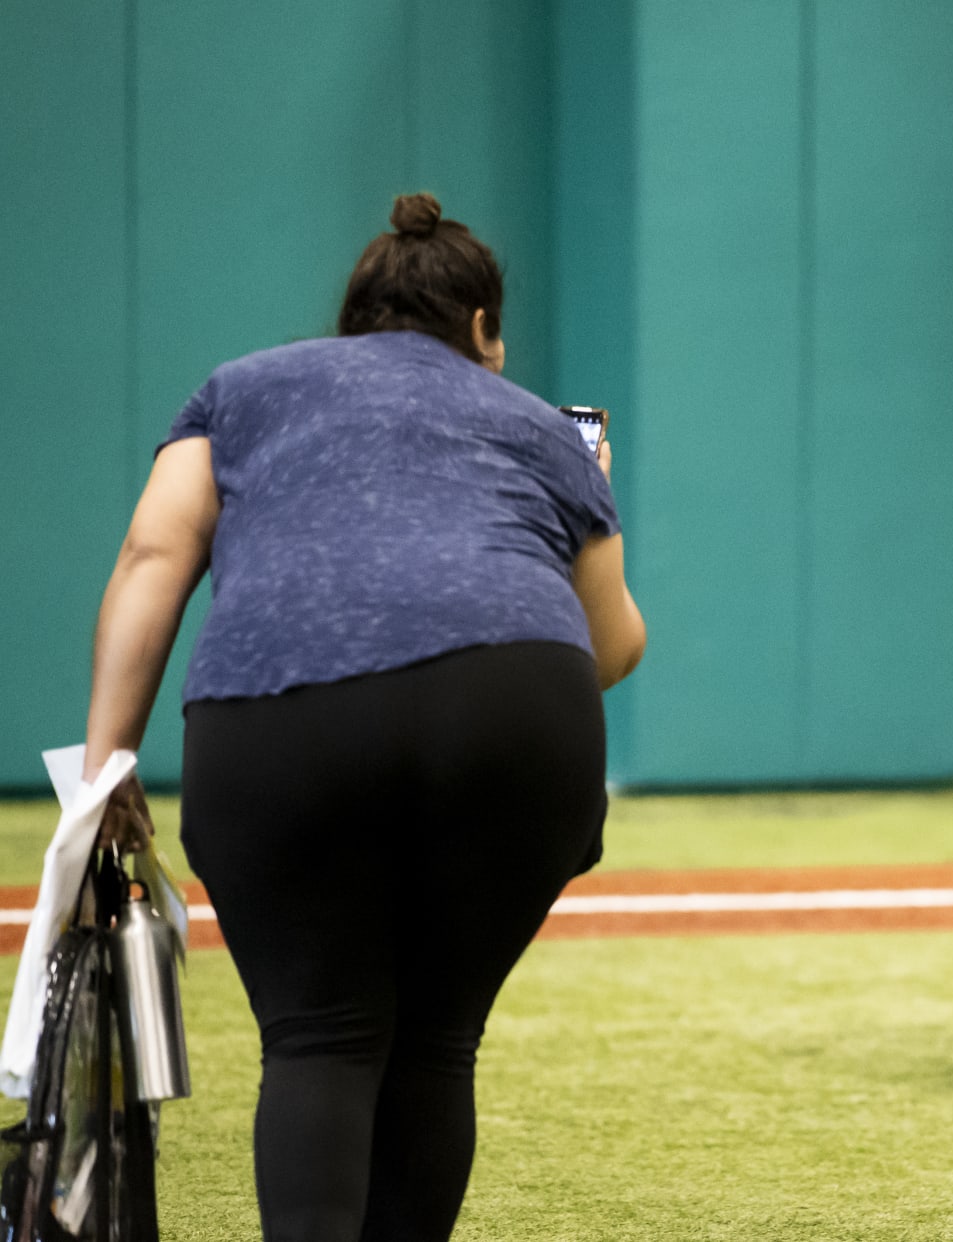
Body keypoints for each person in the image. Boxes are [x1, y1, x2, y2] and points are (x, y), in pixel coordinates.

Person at [79, 192, 645, 1241]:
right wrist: (581, 488)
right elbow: (608, 649)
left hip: (283, 711)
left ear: (353, 321)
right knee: (436, 1040)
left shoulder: (240, 391)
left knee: (319, 1039)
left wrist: (106, 769)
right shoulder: (540, 426)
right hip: (516, 717)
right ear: (483, 330)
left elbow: (152, 560)